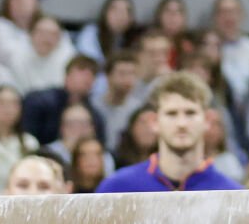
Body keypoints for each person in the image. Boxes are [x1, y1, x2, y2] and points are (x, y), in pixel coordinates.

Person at [96, 73, 240, 193]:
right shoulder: (117, 188)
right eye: (171, 114)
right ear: (154, 121)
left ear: (208, 120)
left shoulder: (232, 194)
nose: (181, 124)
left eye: (190, 113)